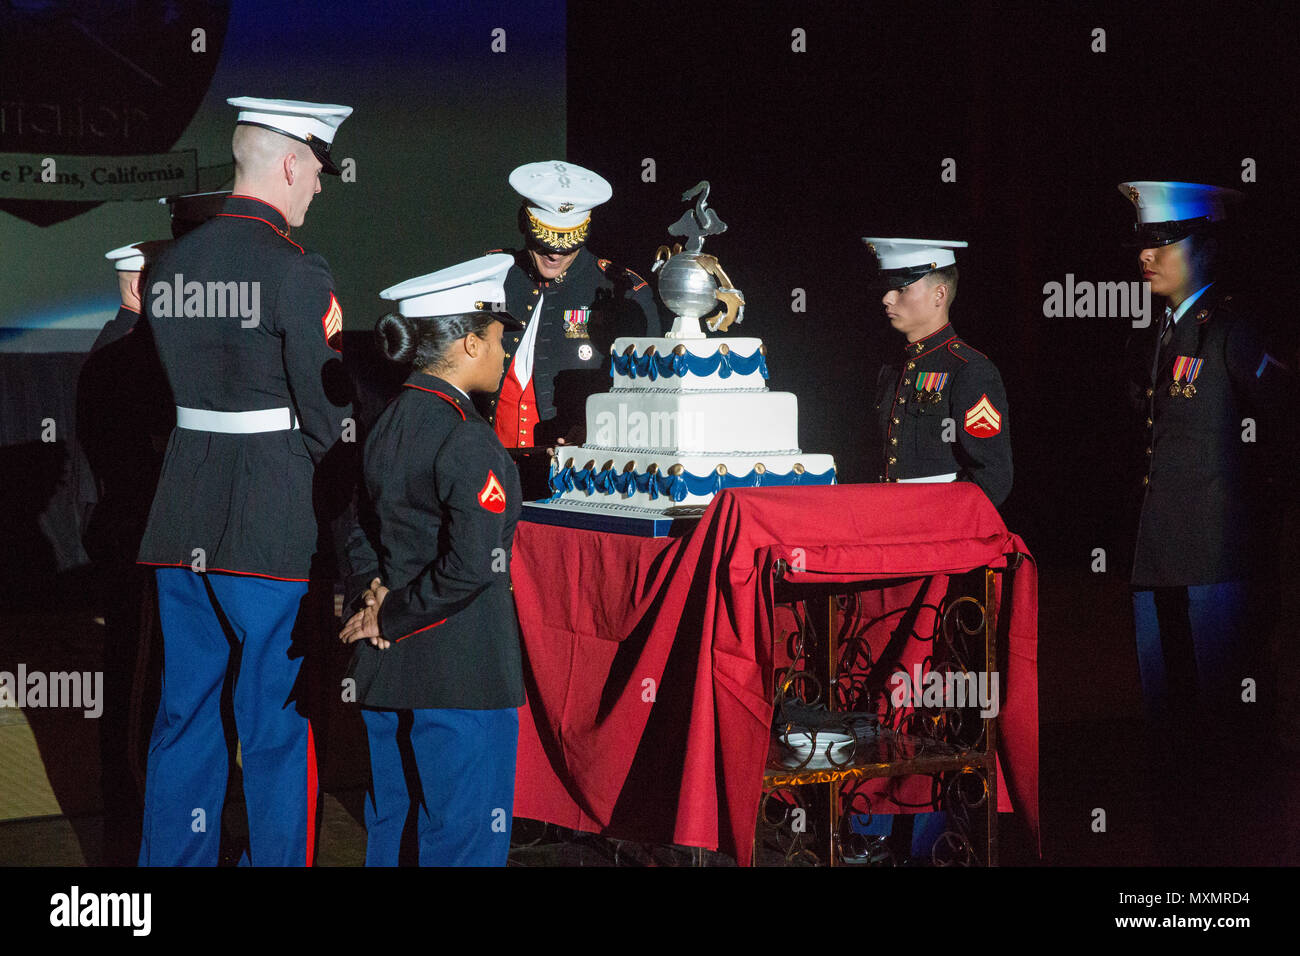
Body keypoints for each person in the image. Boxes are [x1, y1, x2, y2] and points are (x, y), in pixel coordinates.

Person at [135, 96, 358, 866]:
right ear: (292, 164)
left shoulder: (172, 266)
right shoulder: (297, 271)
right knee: (274, 726)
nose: (320, 188)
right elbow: (325, 413)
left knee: (184, 715)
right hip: (269, 525)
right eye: (318, 171)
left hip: (181, 513)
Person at [1118, 180, 1295, 861]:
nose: (1148, 253)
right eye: (1143, 240)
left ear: (1207, 245)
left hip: (1219, 564)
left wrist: (1256, 527)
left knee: (1225, 728)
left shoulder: (1233, 327)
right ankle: (1184, 853)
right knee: (1170, 730)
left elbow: (1281, 433)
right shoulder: (1161, 332)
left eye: (1164, 240)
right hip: (1163, 557)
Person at [341, 253, 526, 867]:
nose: (504, 355)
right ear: (470, 344)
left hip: (389, 670)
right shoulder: (467, 437)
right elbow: (474, 565)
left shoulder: (384, 423)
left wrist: (374, 594)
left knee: (392, 832)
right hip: (461, 673)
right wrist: (387, 616)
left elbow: (356, 525)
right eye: (500, 340)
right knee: (463, 842)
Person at [481, 160, 665, 497]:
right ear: (524, 223)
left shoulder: (621, 289)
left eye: (567, 245)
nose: (555, 254)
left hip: (576, 471)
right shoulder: (494, 275)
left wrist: (596, 430)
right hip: (488, 464)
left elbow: (647, 391)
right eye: (545, 242)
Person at [865, 238, 1012, 508]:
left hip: (937, 528)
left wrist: (941, 524)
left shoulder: (969, 369)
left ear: (939, 294)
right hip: (884, 518)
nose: (887, 298)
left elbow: (992, 476)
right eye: (888, 289)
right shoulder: (891, 367)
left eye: (901, 289)